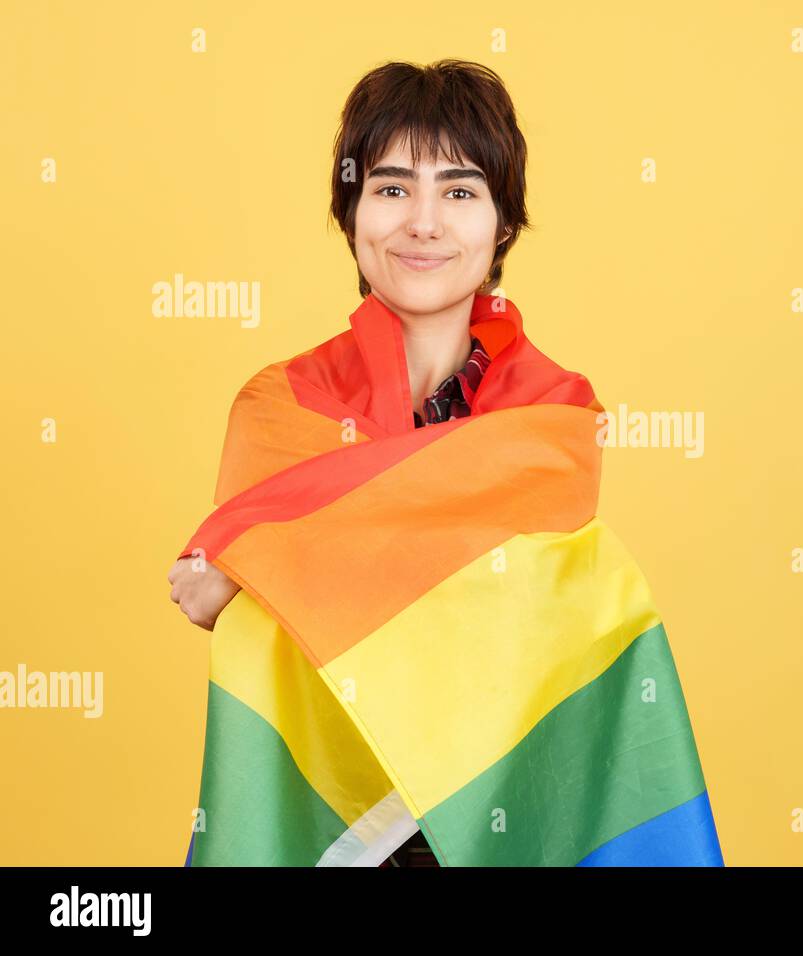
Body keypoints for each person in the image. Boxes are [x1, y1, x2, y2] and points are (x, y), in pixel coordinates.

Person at [168, 59, 534, 868]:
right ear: (352, 211)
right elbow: (204, 597)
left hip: (503, 819)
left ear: (503, 223)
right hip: (320, 825)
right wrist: (253, 559)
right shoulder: (282, 406)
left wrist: (266, 551)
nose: (425, 223)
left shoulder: (552, 416)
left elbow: (531, 613)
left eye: (462, 191)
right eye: (394, 188)